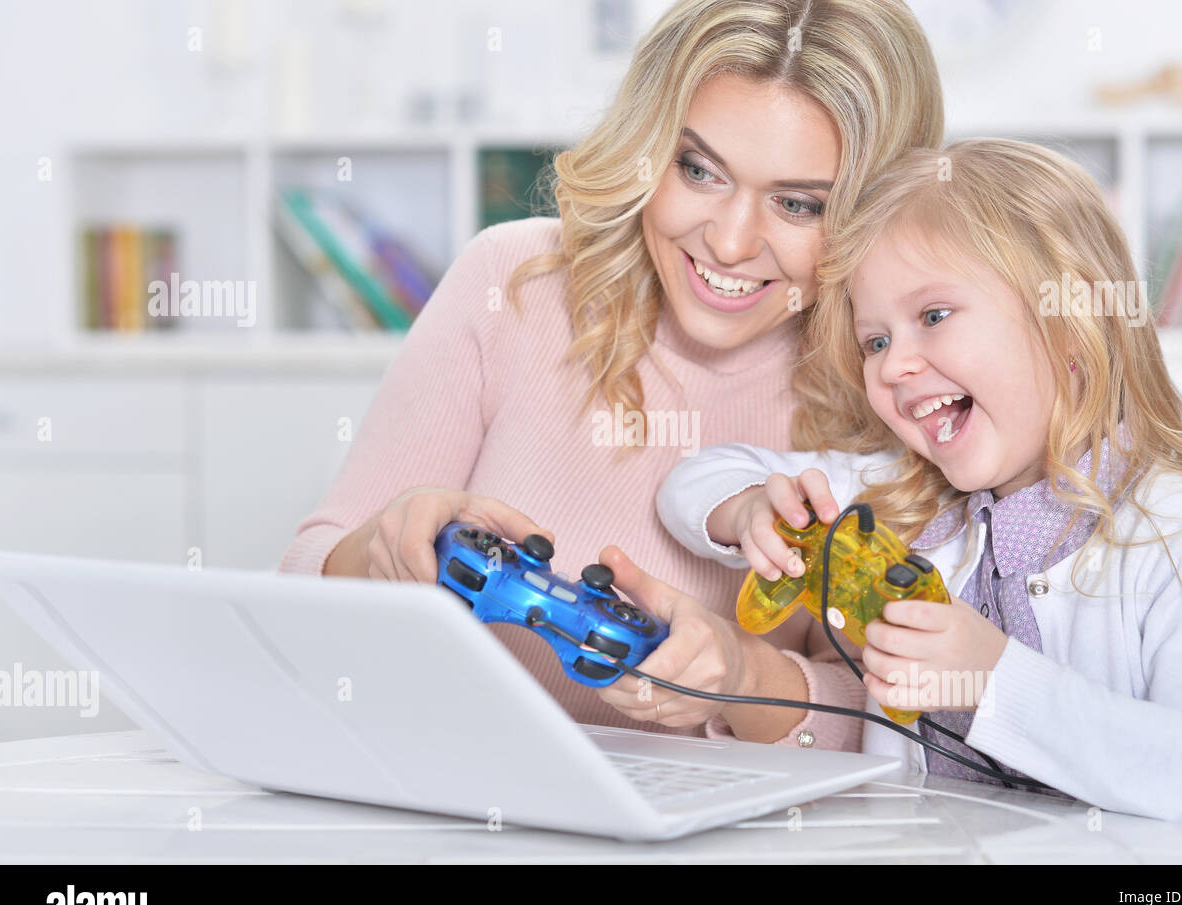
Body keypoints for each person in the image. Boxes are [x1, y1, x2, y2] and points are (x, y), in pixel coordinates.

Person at [278, 0, 945, 744]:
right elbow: (303, 579)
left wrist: (742, 673)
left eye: (796, 204)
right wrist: (379, 548)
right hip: (448, 788)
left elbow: (885, 723)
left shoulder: (891, 382)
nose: (728, 242)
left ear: (871, 215)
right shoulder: (515, 283)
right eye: (698, 169)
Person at [656, 138, 1182, 851]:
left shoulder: (1178, 532)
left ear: (1069, 321)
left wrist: (995, 678)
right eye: (873, 340)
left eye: (932, 316)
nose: (895, 364)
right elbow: (694, 480)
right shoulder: (905, 498)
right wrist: (748, 510)